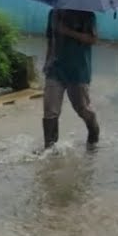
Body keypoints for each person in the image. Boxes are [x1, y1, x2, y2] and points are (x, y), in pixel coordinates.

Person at [42, 8, 99, 149]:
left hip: (78, 70)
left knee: (82, 108)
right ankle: (49, 149)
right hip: (55, 69)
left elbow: (92, 39)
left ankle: (93, 134)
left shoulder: (88, 15)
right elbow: (50, 39)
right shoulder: (53, 13)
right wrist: (47, 61)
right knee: (50, 110)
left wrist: (67, 31)